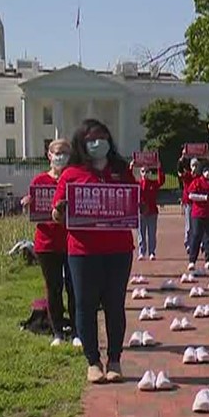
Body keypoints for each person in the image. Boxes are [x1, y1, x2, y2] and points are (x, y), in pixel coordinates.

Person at [51, 119, 135, 384]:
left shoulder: (121, 171)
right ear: (82, 144)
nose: (98, 142)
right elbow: (56, 214)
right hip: (83, 251)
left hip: (118, 250)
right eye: (91, 139)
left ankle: (115, 360)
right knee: (85, 305)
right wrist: (61, 210)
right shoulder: (71, 174)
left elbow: (135, 202)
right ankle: (93, 361)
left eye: (102, 137)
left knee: (114, 305)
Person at [23, 138, 77, 347]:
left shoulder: (74, 179)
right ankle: (57, 332)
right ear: (49, 155)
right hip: (47, 243)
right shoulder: (39, 181)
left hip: (72, 242)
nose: (61, 157)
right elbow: (33, 208)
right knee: (53, 288)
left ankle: (77, 331)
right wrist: (28, 204)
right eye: (57, 152)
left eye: (65, 153)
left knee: (74, 288)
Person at [137, 164, 165, 260]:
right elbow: (128, 180)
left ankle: (152, 252)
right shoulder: (138, 184)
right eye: (143, 171)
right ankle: (141, 252)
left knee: (152, 233)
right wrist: (131, 167)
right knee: (141, 233)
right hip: (141, 212)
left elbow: (161, 181)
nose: (145, 173)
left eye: (147, 171)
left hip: (152, 212)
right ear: (140, 173)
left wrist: (159, 168)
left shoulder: (153, 183)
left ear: (149, 173)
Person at [178, 157, 198, 251]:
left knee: (197, 224)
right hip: (189, 203)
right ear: (190, 166)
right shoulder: (187, 175)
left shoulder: (199, 176)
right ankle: (188, 243)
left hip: (197, 203)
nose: (195, 167)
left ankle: (197, 243)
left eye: (196, 165)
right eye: (193, 165)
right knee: (189, 224)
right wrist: (180, 160)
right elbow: (180, 172)